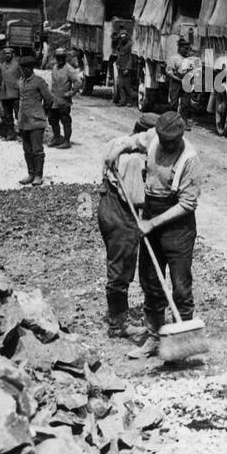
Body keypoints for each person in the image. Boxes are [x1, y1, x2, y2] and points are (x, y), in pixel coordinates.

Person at [100, 110, 200, 358]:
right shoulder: (155, 137)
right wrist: (118, 150)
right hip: (152, 215)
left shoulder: (190, 159)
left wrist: (152, 223)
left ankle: (182, 343)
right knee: (151, 282)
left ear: (180, 137)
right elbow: (135, 140)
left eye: (170, 142)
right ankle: (154, 338)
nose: (165, 145)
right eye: (162, 140)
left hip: (177, 224)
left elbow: (187, 204)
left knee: (180, 287)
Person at [96, 111, 158, 340]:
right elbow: (137, 198)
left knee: (117, 265)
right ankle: (118, 323)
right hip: (121, 213)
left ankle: (118, 318)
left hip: (107, 205)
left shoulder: (116, 142)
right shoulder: (133, 160)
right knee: (121, 269)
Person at [16, 51, 53, 186]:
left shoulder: (39, 82)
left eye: (22, 69)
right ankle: (31, 173)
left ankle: (38, 175)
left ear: (28, 68)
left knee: (37, 150)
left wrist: (42, 113)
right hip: (24, 121)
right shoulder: (21, 82)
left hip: (36, 122)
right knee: (27, 150)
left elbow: (49, 99)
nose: (21, 71)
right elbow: (20, 101)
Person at [48, 48, 83, 148]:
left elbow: (78, 82)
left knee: (65, 121)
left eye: (62, 57)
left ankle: (67, 141)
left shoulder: (69, 69)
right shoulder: (54, 67)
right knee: (53, 120)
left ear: (65, 57)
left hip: (64, 101)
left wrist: (71, 93)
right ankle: (57, 138)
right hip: (54, 100)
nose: (60, 59)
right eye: (58, 57)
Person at [165, 37, 197, 127]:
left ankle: (183, 123)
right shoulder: (174, 58)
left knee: (185, 104)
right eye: (184, 47)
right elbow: (169, 72)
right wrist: (178, 79)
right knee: (173, 103)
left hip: (186, 83)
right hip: (176, 82)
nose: (186, 50)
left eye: (187, 48)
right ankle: (171, 123)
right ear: (179, 48)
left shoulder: (191, 60)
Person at [0, 45, 22, 139]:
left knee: (18, 114)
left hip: (15, 94)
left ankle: (21, 133)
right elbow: (0, 79)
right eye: (6, 54)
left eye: (9, 53)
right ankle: (10, 133)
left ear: (13, 54)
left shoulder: (17, 64)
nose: (7, 55)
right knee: (7, 115)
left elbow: (23, 77)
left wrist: (19, 87)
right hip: (5, 94)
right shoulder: (2, 65)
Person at [112, 28, 135, 106]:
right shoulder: (121, 44)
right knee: (120, 85)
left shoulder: (129, 45)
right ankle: (123, 100)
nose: (123, 38)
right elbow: (116, 46)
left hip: (126, 67)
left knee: (127, 86)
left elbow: (131, 58)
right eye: (121, 37)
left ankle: (129, 101)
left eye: (124, 37)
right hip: (120, 66)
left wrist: (128, 68)